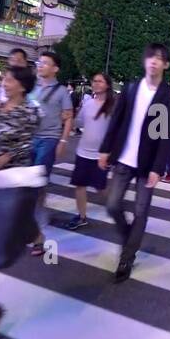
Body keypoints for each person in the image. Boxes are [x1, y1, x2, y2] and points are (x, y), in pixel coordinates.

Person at [99, 43, 170, 283]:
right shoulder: (131, 88)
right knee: (112, 205)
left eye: (159, 58)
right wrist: (105, 149)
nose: (153, 61)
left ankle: (127, 257)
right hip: (123, 158)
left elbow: (167, 135)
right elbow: (116, 121)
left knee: (141, 212)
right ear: (145, 61)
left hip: (147, 164)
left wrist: (158, 167)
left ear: (165, 64)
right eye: (150, 57)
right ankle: (128, 240)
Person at [28, 50, 74, 256]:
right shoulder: (31, 87)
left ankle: (37, 232)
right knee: (28, 183)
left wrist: (63, 140)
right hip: (29, 138)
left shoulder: (62, 92)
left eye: (45, 63)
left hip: (48, 139)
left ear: (55, 68)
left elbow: (68, 117)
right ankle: (35, 213)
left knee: (37, 182)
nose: (40, 65)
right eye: (40, 62)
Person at [66, 73, 115, 230]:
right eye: (94, 81)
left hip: (101, 155)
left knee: (100, 188)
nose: (96, 83)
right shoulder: (87, 103)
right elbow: (78, 122)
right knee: (80, 185)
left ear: (107, 85)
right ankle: (82, 216)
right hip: (83, 152)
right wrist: (70, 118)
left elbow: (116, 131)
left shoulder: (113, 106)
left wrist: (111, 152)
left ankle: (115, 207)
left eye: (100, 81)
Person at [0, 65, 40, 173]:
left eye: (9, 80)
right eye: (4, 79)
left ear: (23, 87)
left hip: (8, 174)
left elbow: (26, 144)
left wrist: (4, 158)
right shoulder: (0, 106)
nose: (4, 84)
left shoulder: (29, 112)